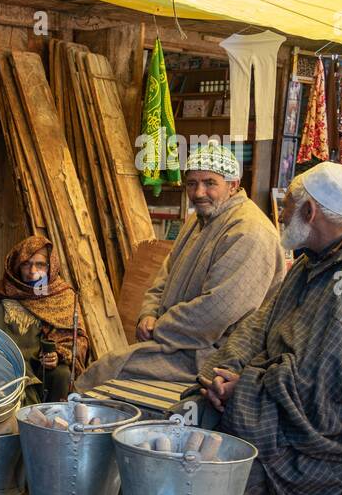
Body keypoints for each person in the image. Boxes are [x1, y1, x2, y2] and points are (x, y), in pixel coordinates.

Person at [201, 163, 342, 495]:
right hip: (273, 396)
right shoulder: (309, 261)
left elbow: (338, 386)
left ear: (310, 213)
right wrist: (224, 370)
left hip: (320, 427)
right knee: (194, 417)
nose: (281, 214)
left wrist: (248, 388)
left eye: (288, 205)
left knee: (235, 463)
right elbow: (261, 323)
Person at [76, 142, 285, 391]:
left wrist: (159, 327)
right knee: (107, 368)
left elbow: (216, 312)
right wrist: (149, 313)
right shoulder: (199, 219)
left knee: (111, 370)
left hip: (213, 355)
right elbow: (164, 274)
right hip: (178, 339)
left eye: (209, 183)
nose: (198, 193)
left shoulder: (249, 232)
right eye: (191, 183)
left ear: (233, 185)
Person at [0, 236, 88, 403]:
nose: (32, 271)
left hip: (39, 368)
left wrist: (57, 355)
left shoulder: (62, 296)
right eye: (26, 264)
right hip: (1, 364)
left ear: (50, 267)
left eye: (40, 265)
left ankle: (52, 419)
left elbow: (77, 340)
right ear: (16, 265)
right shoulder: (1, 294)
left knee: (62, 374)